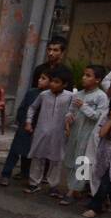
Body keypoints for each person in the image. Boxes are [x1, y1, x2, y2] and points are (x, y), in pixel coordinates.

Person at [57, 65, 109, 205]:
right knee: (71, 159)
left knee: (83, 162)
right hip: (74, 133)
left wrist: (84, 107)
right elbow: (71, 110)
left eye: (88, 75)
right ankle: (76, 189)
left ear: (97, 79)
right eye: (84, 75)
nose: (84, 78)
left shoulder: (101, 96)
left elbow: (99, 116)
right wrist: (69, 117)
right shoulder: (78, 94)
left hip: (89, 135)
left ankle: (71, 192)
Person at [24, 66, 74, 195]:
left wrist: (69, 124)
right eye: (51, 81)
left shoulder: (70, 97)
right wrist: (29, 122)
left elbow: (72, 113)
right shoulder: (44, 95)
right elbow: (32, 108)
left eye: (57, 82)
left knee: (56, 161)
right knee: (37, 158)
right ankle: (34, 183)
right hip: (41, 132)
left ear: (65, 84)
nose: (52, 84)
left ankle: (53, 186)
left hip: (59, 134)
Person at [0, 71, 47, 188]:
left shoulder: (49, 96)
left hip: (39, 129)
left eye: (44, 78)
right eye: (40, 77)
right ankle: (6, 174)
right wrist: (23, 122)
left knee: (31, 153)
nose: (40, 80)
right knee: (16, 150)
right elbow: (23, 108)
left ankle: (27, 174)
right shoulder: (32, 92)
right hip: (25, 125)